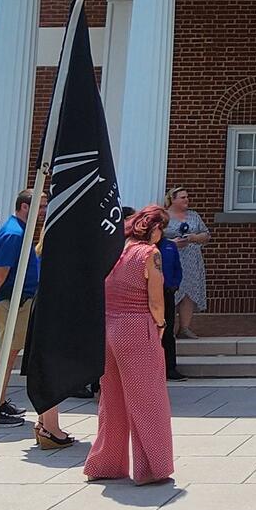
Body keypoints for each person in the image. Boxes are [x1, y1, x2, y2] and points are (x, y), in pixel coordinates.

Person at [84, 205, 176, 485]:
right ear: (155, 228)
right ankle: (152, 467)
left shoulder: (117, 251)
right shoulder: (150, 254)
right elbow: (156, 300)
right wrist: (160, 325)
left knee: (111, 401)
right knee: (149, 400)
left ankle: (105, 463)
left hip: (109, 327)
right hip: (137, 327)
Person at [0, 189, 74, 448]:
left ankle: (0, 403)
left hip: (21, 300)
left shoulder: (21, 230)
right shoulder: (14, 233)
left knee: (9, 353)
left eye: (44, 207)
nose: (43, 212)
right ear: (23, 206)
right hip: (12, 302)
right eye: (40, 207)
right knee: (6, 354)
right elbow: (1, 270)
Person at [168, 186, 209, 339]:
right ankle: (168, 329)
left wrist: (194, 238)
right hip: (172, 259)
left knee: (188, 293)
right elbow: (155, 237)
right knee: (171, 293)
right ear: (173, 199)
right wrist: (172, 242)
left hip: (191, 260)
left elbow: (206, 234)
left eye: (187, 197)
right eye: (183, 197)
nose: (187, 200)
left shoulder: (193, 216)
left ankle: (184, 328)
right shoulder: (164, 216)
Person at [158, 221, 185, 382]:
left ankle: (170, 367)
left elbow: (177, 268)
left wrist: (175, 284)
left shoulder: (170, 246)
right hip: (151, 293)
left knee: (168, 331)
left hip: (168, 292)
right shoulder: (147, 247)